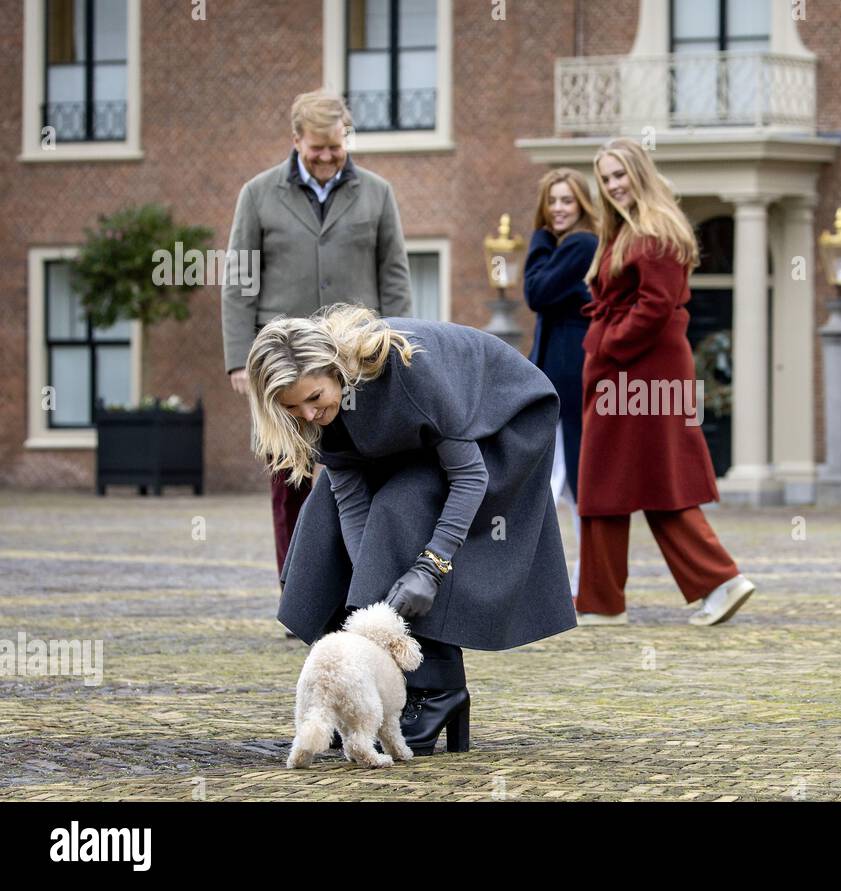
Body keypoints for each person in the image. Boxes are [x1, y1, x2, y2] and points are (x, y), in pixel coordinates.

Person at [246, 304, 577, 753]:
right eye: (293, 407)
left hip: (504, 425)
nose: (308, 414)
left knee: (401, 508)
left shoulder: (407, 372)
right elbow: (349, 496)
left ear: (334, 368)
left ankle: (439, 688)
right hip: (419, 436)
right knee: (322, 516)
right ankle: (377, 689)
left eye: (316, 398)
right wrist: (375, 592)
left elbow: (469, 478)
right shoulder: (312, 415)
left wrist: (430, 566)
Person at [220, 89, 412, 621]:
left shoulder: (377, 193)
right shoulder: (258, 195)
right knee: (293, 487)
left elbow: (394, 276)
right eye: (318, 148)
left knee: (359, 481)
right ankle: (299, 599)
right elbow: (239, 281)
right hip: (283, 369)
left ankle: (361, 597)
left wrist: (397, 345)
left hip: (356, 364)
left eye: (337, 146)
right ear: (296, 140)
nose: (328, 156)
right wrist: (240, 358)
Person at [575, 136, 754, 627]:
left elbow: (655, 306)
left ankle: (717, 580)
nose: (613, 186)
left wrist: (610, 345)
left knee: (634, 481)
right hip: (631, 370)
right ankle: (602, 598)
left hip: (637, 372)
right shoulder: (633, 231)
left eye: (620, 174)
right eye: (606, 178)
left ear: (639, 172)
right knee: (626, 482)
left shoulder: (652, 234)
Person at [523, 168, 600, 597]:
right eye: (551, 201)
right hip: (555, 373)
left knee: (565, 478)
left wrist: (537, 240)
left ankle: (576, 580)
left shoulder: (579, 244)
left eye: (567, 200)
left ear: (582, 205)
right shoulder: (564, 246)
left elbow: (535, 292)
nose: (557, 209)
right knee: (560, 479)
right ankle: (564, 579)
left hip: (571, 375)